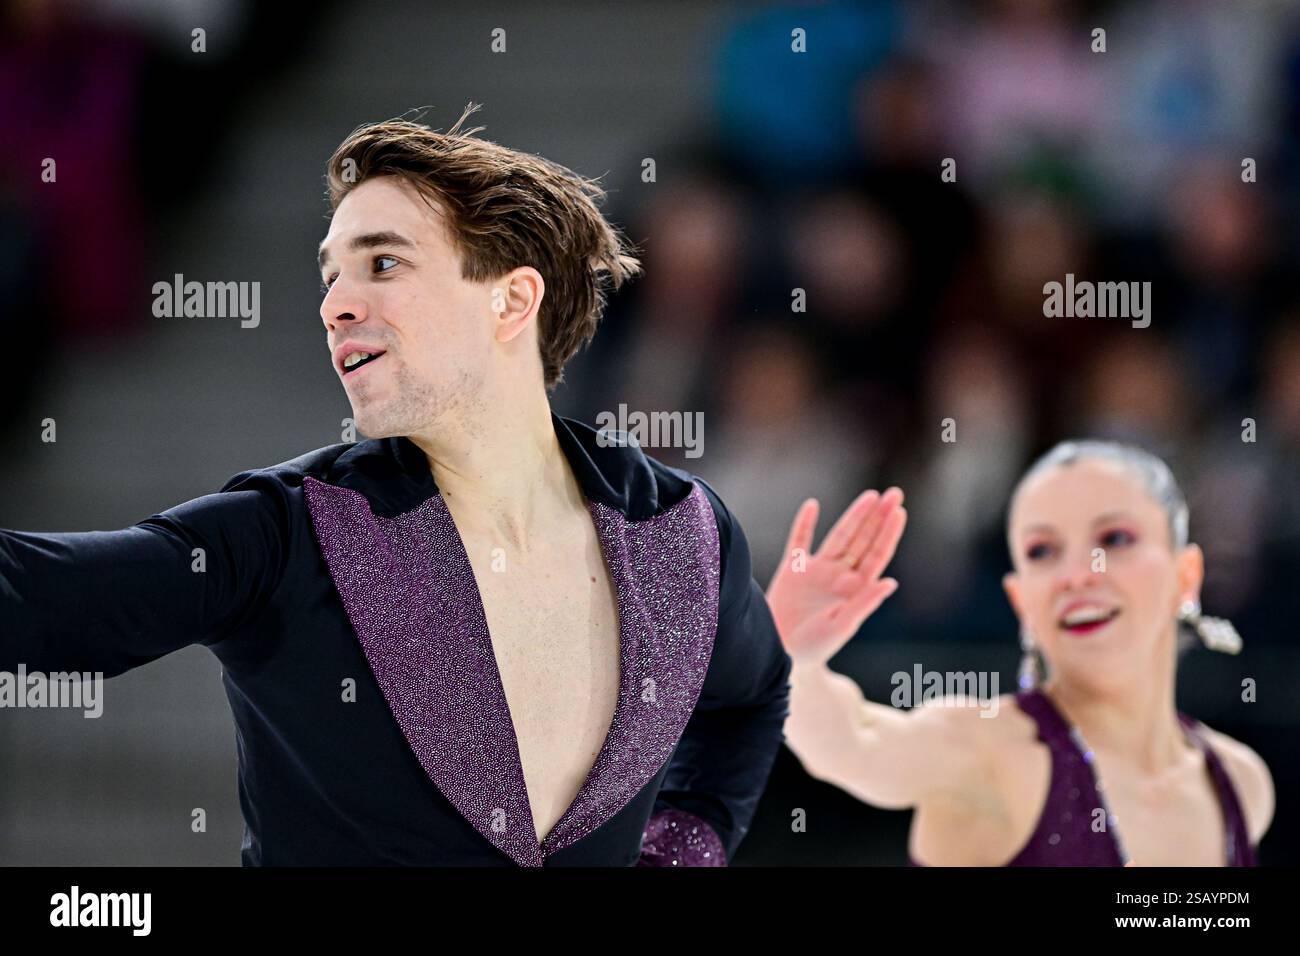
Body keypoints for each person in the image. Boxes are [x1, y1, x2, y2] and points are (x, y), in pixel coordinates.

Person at [0, 105, 792, 867]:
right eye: (331, 277)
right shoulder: (288, 532)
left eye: (383, 264)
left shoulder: (676, 529)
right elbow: (44, 601)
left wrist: (679, 851)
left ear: (512, 299)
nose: (335, 306)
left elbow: (750, 698)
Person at [767, 441, 1273, 865]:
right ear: (1020, 599)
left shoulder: (1240, 784)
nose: (1078, 575)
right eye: (1043, 551)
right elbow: (854, 741)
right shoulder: (988, 748)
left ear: (1186, 577)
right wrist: (793, 658)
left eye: (1114, 538)